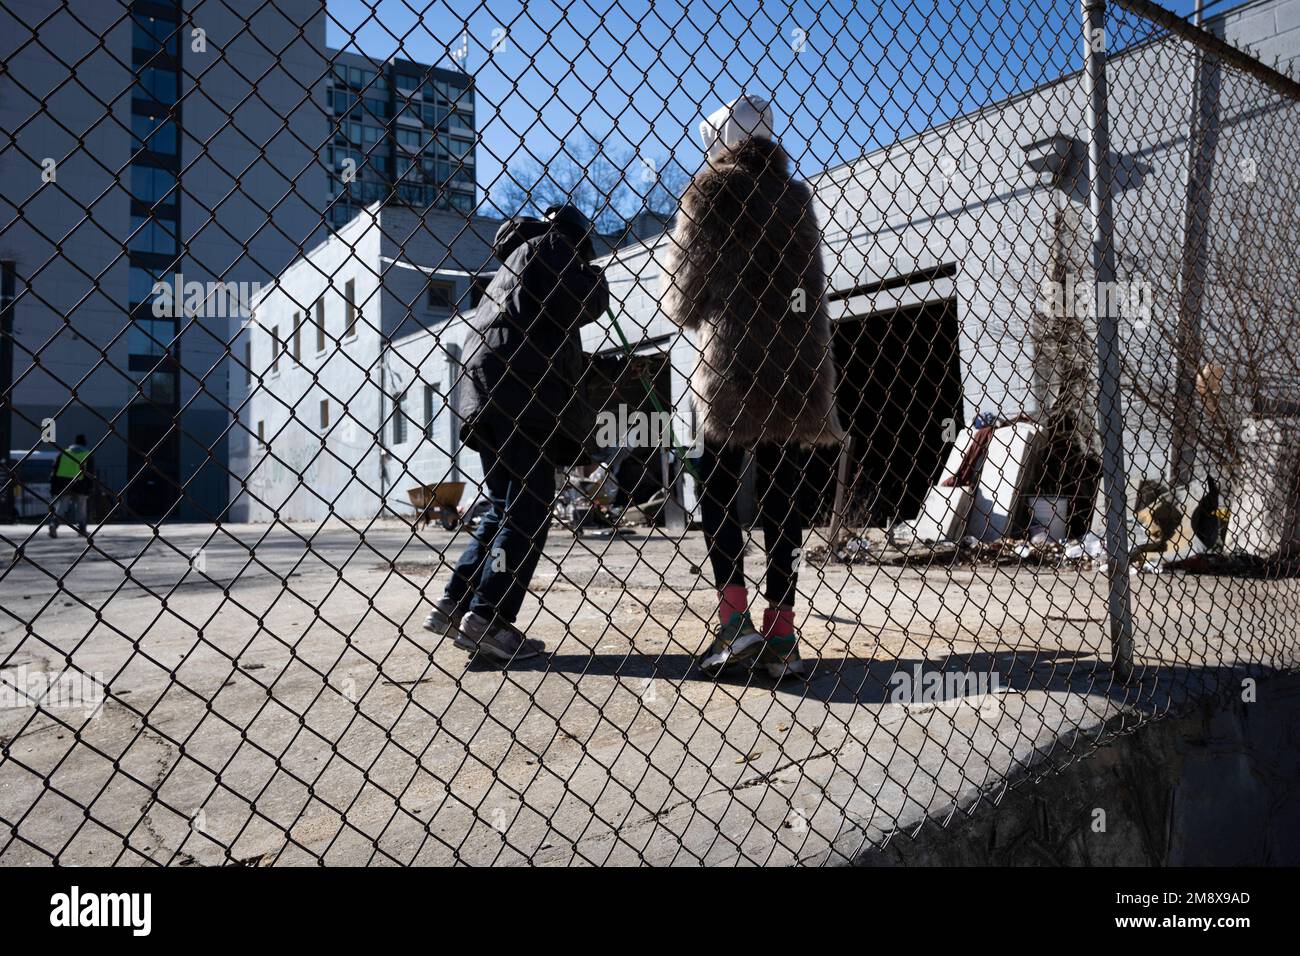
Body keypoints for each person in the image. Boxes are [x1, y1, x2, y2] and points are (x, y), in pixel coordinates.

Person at [662, 94, 843, 680]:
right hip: (796, 364)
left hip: (733, 365)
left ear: (718, 143)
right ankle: (782, 637)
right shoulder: (796, 198)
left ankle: (734, 621)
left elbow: (682, 302)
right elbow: (811, 290)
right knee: (783, 495)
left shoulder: (707, 194)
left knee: (714, 483)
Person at [423, 204, 609, 662]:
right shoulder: (551, 246)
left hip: (489, 394)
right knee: (528, 511)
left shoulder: (515, 261)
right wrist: (596, 278)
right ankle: (489, 619)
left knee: (504, 508)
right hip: (519, 396)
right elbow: (584, 301)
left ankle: (457, 601)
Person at [48, 434, 94, 538]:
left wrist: (53, 485)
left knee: (62, 506)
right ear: (84, 443)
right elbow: (90, 472)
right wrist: (90, 488)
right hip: (80, 483)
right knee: (81, 507)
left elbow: (54, 470)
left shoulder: (64, 453)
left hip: (63, 482)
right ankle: (82, 529)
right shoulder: (87, 454)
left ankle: (54, 524)